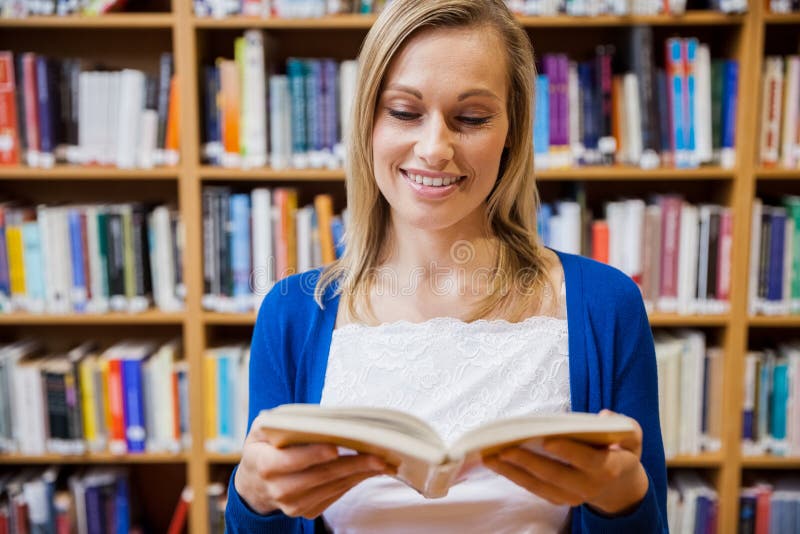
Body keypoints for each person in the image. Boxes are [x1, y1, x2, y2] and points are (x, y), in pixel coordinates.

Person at [226, 0, 667, 532]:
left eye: (472, 118)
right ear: (367, 121)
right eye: (405, 112)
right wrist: (252, 498)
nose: (435, 149)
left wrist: (622, 497)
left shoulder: (605, 306)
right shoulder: (294, 314)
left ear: (511, 132)